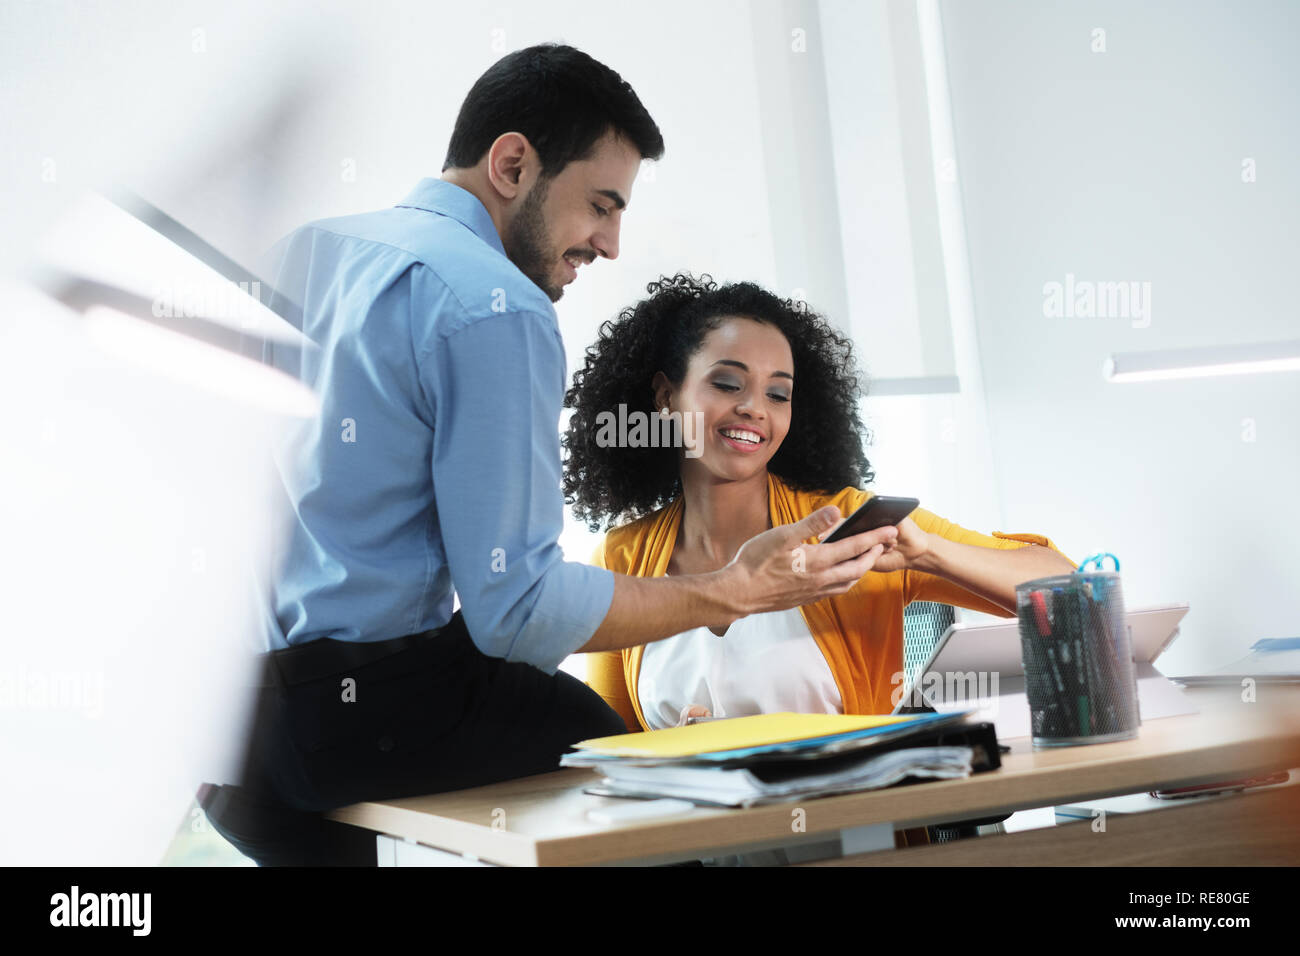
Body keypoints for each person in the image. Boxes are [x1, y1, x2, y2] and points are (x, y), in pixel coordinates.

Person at [204, 45, 898, 866]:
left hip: (227, 724)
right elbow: (517, 610)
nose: (608, 243)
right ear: (511, 163)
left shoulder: (302, 250)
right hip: (360, 712)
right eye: (600, 205)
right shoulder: (495, 304)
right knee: (623, 767)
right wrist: (727, 593)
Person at [563, 274, 1077, 732]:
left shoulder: (850, 526)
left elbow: (1070, 592)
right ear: (665, 397)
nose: (753, 409)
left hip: (853, 835)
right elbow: (611, 756)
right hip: (701, 838)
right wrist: (682, 753)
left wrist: (929, 554)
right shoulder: (623, 559)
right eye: (726, 383)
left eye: (778, 394)